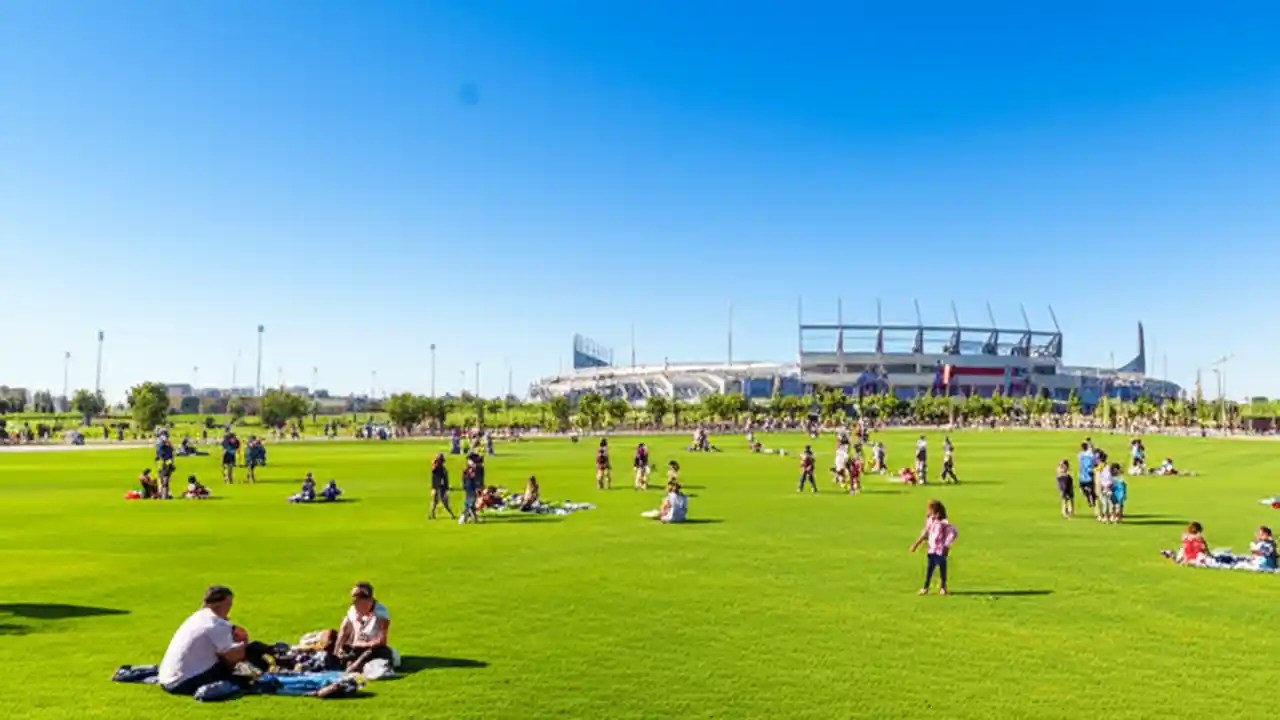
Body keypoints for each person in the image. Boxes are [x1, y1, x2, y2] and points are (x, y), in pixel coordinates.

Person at [158, 586, 270, 695]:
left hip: (166, 678)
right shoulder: (216, 624)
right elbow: (233, 658)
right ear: (219, 605)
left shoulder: (197, 617)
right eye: (229, 604)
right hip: (184, 683)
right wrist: (245, 644)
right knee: (250, 653)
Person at [331, 582, 393, 673]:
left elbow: (381, 641)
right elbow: (344, 631)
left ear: (367, 601)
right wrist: (337, 649)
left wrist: (360, 644)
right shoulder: (352, 610)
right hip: (355, 648)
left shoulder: (380, 614)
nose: (353, 602)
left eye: (356, 600)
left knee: (381, 653)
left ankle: (355, 665)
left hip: (372, 648)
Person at [909, 499, 958, 595]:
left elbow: (952, 533)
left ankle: (943, 587)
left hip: (940, 550)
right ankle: (925, 587)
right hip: (932, 550)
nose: (929, 513)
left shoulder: (944, 524)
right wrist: (916, 544)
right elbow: (925, 533)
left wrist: (946, 546)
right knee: (929, 569)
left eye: (931, 511)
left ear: (937, 512)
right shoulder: (930, 521)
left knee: (942, 569)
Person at [429, 453, 454, 520]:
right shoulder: (440, 468)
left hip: (439, 487)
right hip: (438, 487)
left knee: (438, 502)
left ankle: (431, 514)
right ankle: (432, 514)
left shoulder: (441, 468)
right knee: (436, 502)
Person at [460, 452, 484, 524]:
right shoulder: (476, 468)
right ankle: (467, 518)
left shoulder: (469, 467)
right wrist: (479, 487)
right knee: (471, 503)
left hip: (469, 486)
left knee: (469, 502)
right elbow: (477, 478)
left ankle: (469, 519)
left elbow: (464, 478)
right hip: (472, 487)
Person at [1077, 442, 1098, 510]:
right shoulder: (1090, 455)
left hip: (1085, 474)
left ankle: (1091, 500)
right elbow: (1095, 463)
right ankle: (1091, 499)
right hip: (1086, 474)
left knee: (1085, 489)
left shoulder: (1080, 455)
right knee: (1089, 489)